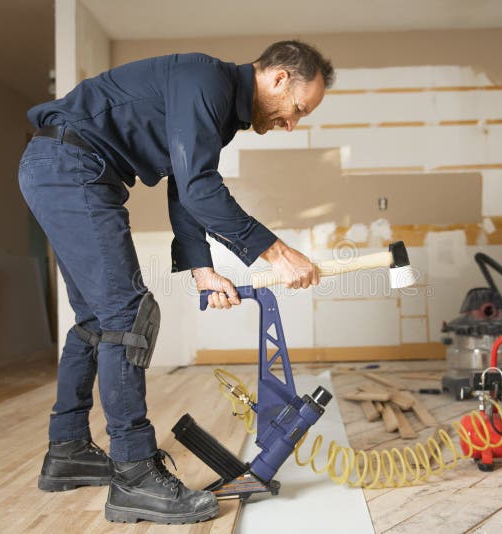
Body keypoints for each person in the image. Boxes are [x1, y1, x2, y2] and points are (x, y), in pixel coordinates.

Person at [18, 40, 334, 524]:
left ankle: (68, 450)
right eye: (296, 110)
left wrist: (202, 268)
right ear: (278, 79)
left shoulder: (216, 102)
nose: (290, 124)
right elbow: (199, 188)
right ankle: (136, 476)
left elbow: (184, 184)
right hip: (71, 167)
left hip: (62, 166)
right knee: (128, 317)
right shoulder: (207, 80)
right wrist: (277, 251)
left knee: (96, 319)